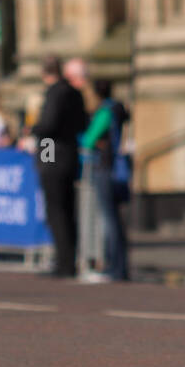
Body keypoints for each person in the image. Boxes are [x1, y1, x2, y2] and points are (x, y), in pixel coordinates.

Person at [30, 55, 87, 277]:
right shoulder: (74, 93)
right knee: (68, 209)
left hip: (52, 155)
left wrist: (33, 129)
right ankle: (69, 259)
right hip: (70, 154)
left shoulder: (54, 93)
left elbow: (48, 125)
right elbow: (82, 122)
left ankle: (64, 263)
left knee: (56, 210)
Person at [79, 78, 130, 281]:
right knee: (116, 219)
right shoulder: (119, 109)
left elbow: (88, 140)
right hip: (118, 169)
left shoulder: (105, 112)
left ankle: (114, 266)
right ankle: (120, 265)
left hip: (104, 167)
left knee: (109, 219)